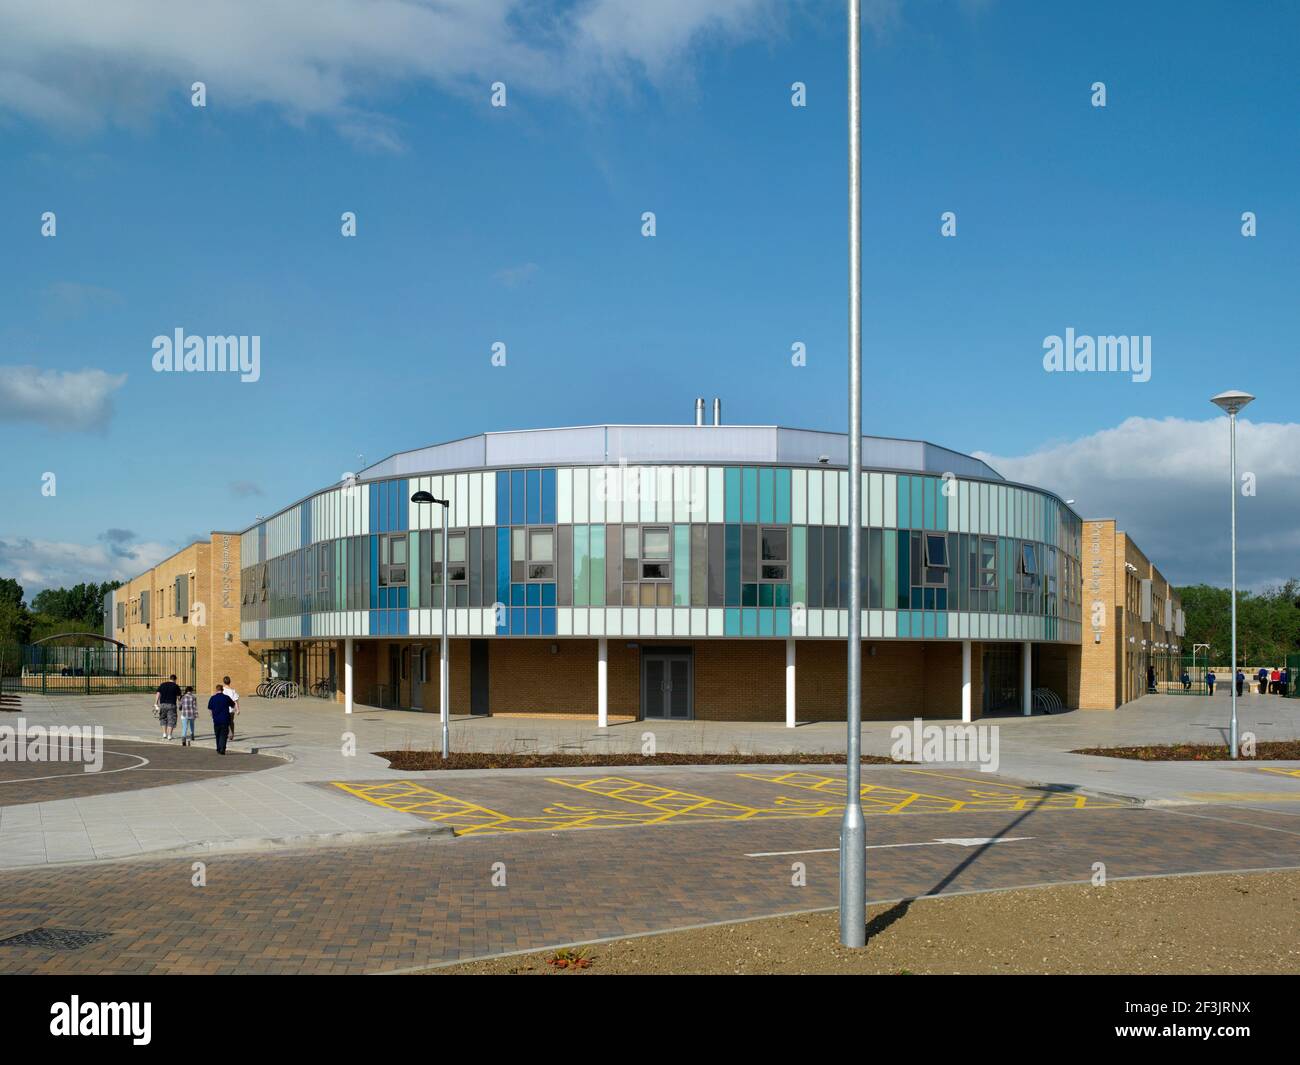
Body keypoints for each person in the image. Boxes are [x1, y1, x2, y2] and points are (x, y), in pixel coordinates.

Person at [208, 683, 235, 755]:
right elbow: (233, 704)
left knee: (217, 734)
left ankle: (218, 748)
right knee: (223, 735)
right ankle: (222, 748)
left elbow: (210, 709)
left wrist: (212, 716)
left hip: (216, 719)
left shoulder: (212, 698)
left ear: (216, 690)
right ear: (222, 690)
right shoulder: (226, 697)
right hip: (225, 719)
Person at [155, 674, 182, 741]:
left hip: (163, 704)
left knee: (163, 718)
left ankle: (164, 733)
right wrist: (180, 704)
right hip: (171, 704)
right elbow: (179, 697)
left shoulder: (163, 684)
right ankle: (169, 735)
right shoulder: (176, 686)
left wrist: (156, 703)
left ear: (169, 678)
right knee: (171, 719)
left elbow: (158, 693)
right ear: (175, 679)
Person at [222, 675, 240, 740]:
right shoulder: (233, 691)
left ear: (223, 682)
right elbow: (236, 700)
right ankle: (232, 733)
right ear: (230, 682)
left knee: (226, 722)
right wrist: (238, 709)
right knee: (231, 721)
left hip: (225, 709)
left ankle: (229, 733)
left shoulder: (222, 690)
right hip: (232, 709)